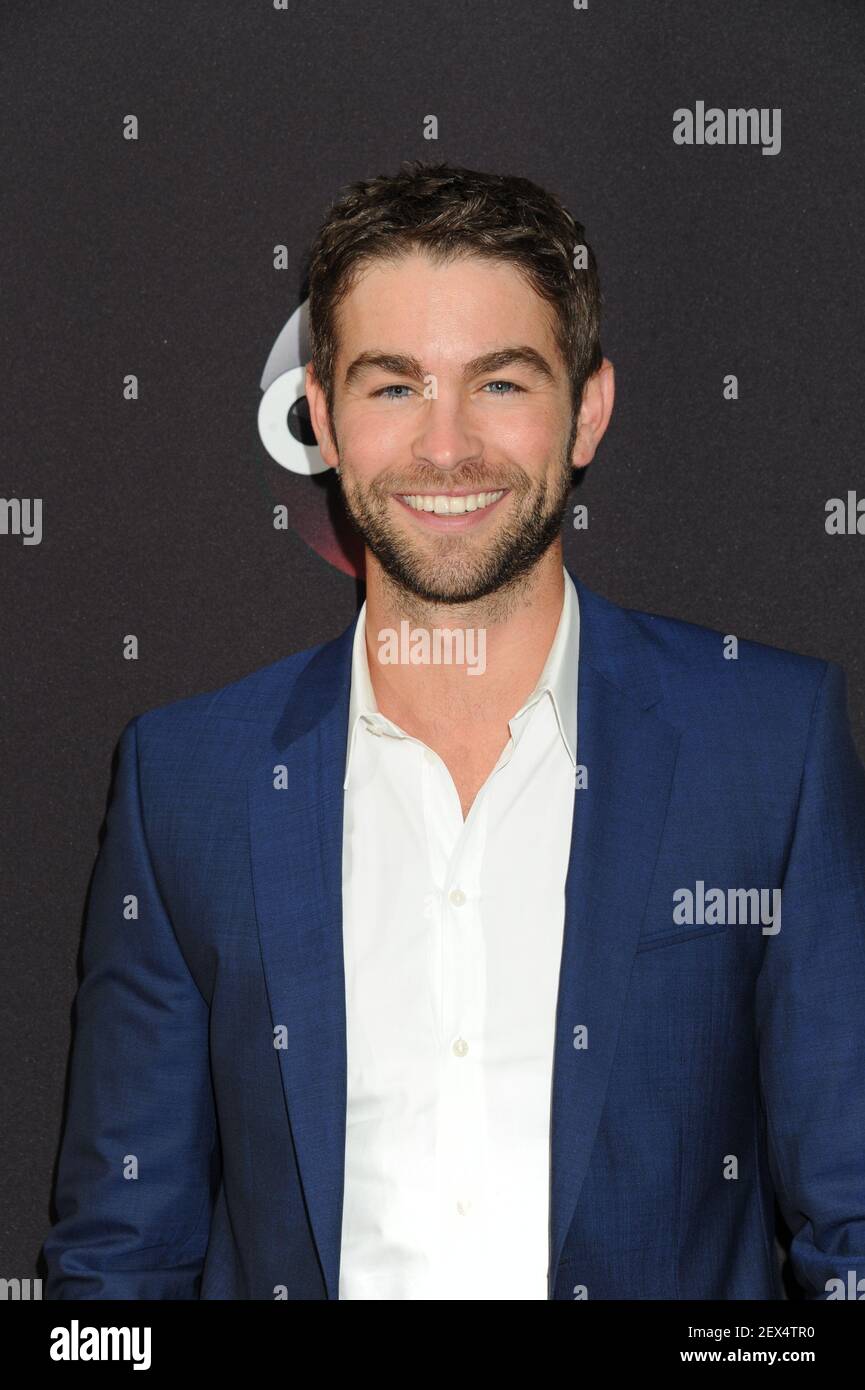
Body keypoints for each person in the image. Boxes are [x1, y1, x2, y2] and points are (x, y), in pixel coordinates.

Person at [43, 161, 865, 1300]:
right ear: (321, 419)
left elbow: (854, 1224)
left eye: (499, 383)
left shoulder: (768, 748)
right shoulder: (188, 780)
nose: (444, 447)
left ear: (587, 410)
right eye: (392, 388)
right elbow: (117, 1266)